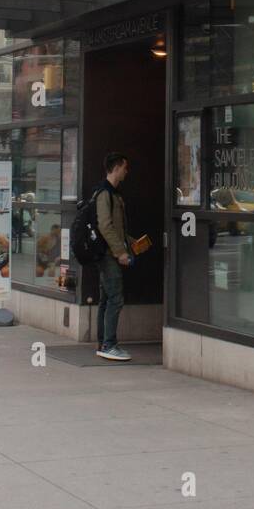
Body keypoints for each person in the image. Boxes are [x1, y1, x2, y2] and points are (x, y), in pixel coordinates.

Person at [94, 153, 137, 362]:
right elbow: (105, 226)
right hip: (108, 255)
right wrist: (120, 252)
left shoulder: (113, 194)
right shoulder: (105, 193)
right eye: (125, 167)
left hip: (110, 252)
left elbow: (116, 228)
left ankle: (103, 343)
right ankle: (109, 345)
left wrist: (131, 242)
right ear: (117, 168)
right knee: (115, 298)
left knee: (106, 299)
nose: (126, 171)